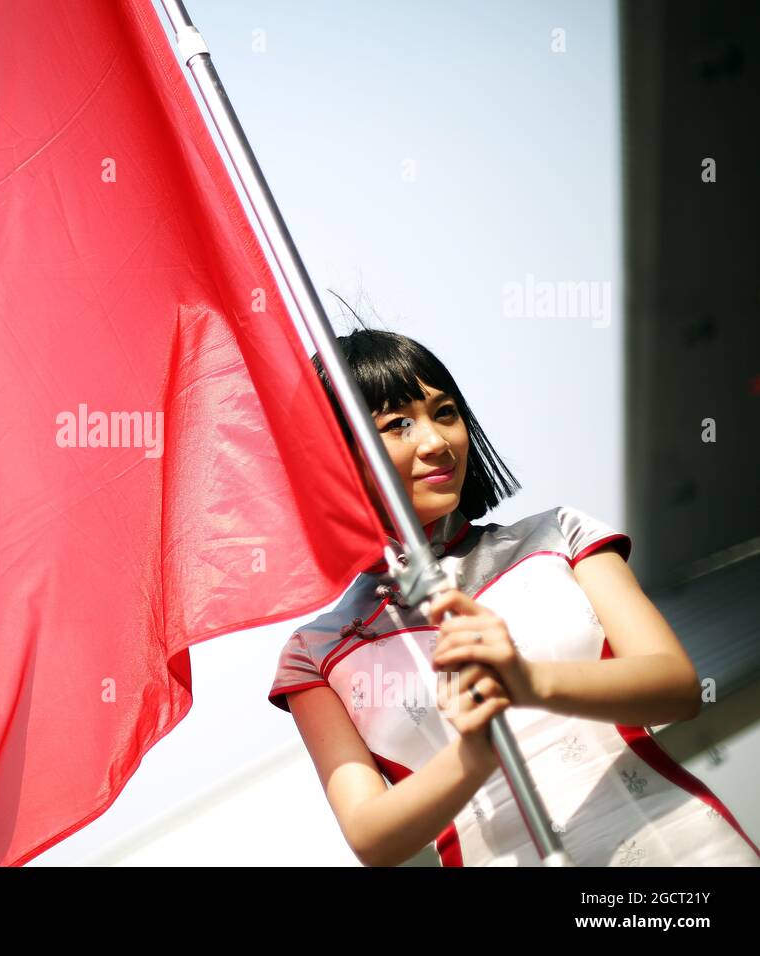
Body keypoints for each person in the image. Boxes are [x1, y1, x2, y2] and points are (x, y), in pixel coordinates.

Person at [268, 327, 760, 867]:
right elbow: (371, 838)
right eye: (397, 425)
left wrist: (529, 684)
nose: (436, 441)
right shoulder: (315, 653)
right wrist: (474, 753)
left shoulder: (561, 535)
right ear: (334, 460)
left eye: (445, 412)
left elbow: (676, 686)